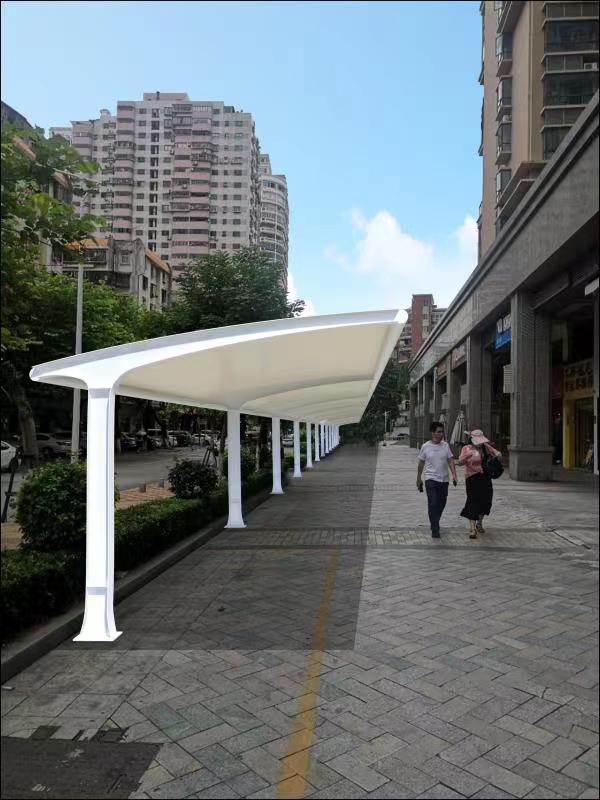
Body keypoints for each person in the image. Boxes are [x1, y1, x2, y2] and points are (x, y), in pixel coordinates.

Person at [458, 429, 502, 539]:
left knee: (486, 501)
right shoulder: (466, 448)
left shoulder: (485, 447)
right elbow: (460, 462)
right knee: (472, 502)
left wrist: (497, 455)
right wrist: (468, 455)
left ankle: (479, 523)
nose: (479, 442)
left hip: (485, 477)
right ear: (472, 439)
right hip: (472, 478)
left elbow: (498, 454)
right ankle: (472, 529)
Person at [417, 422, 458, 539]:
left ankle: (435, 521)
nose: (441, 434)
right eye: (439, 432)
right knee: (433, 503)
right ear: (433, 433)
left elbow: (450, 460)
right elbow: (421, 463)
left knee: (442, 503)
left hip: (444, 480)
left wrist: (454, 474)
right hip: (431, 479)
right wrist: (418, 478)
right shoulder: (425, 446)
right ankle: (435, 528)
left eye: (442, 432)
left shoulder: (445, 446)